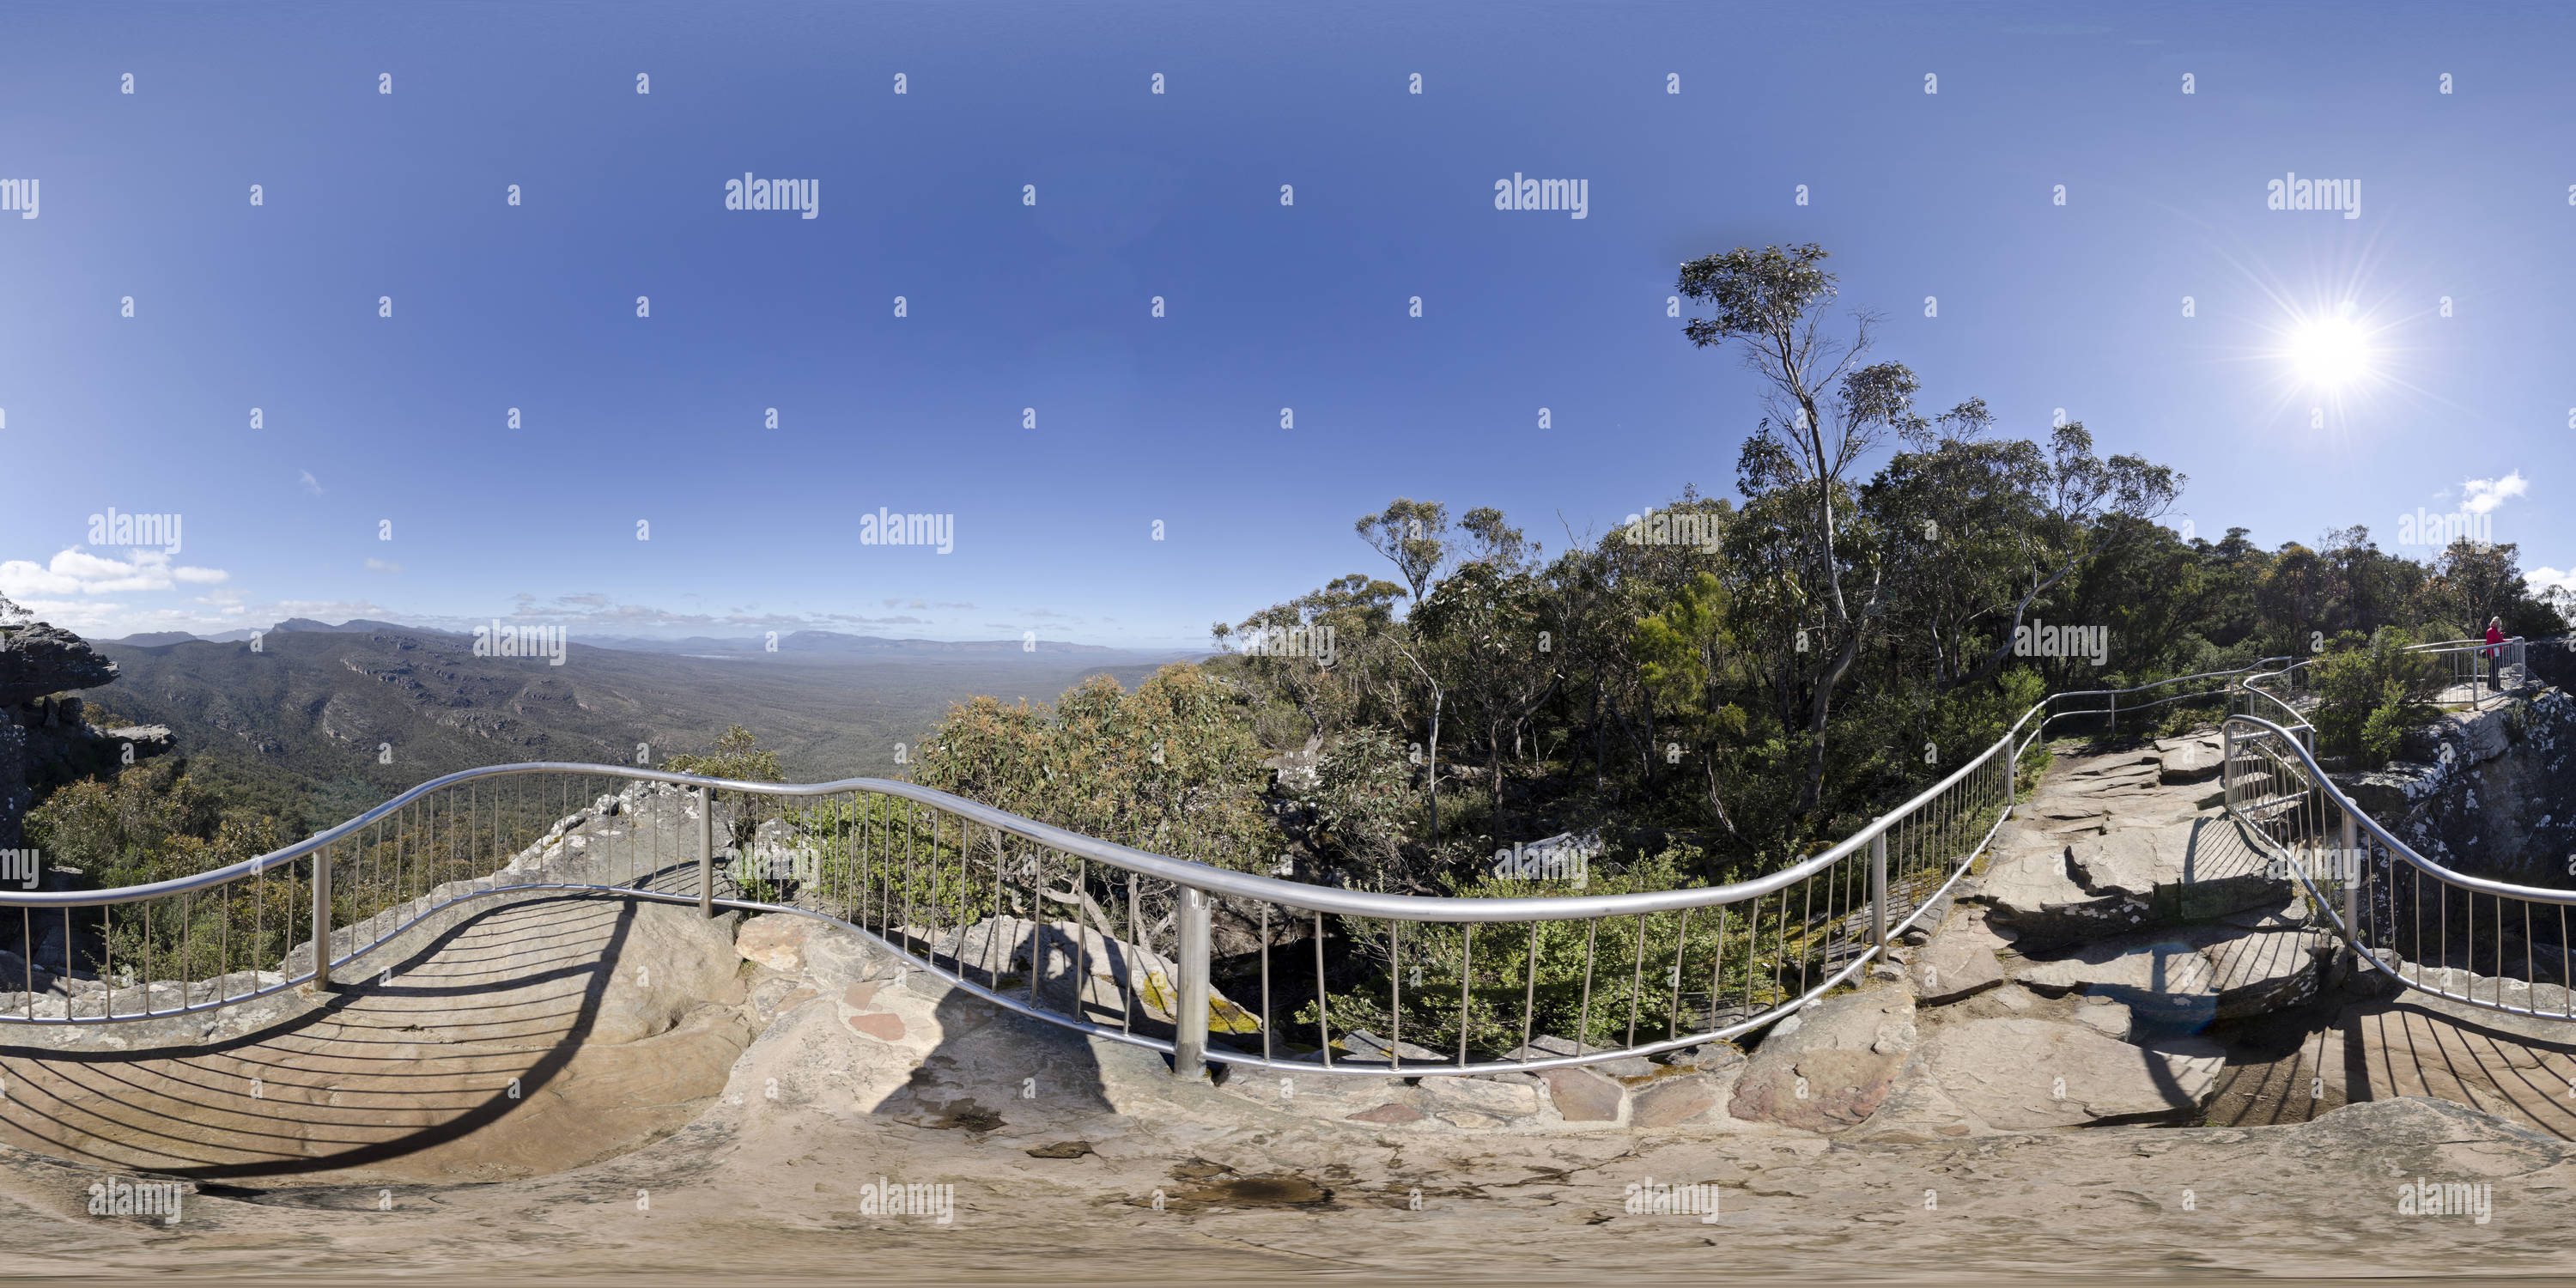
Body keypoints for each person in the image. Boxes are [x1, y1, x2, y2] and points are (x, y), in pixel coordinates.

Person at [2484, 617, 2507, 691]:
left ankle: (2491, 685)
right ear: (2493, 622)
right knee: (2494, 669)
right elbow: (2489, 643)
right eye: (2496, 622)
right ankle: (2496, 686)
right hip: (2493, 653)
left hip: (2497, 652)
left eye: (2499, 622)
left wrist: (2509, 642)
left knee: (2494, 669)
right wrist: (2491, 654)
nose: (2498, 624)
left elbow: (2500, 641)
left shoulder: (2497, 631)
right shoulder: (2490, 631)